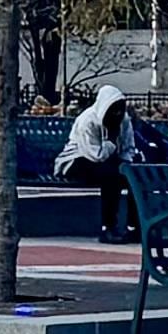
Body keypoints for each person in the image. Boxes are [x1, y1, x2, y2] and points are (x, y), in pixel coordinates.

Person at [53, 82, 136, 244]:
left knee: (134, 178)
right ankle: (108, 227)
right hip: (76, 161)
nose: (117, 114)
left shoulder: (124, 120)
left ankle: (133, 227)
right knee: (110, 177)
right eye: (114, 109)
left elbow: (128, 147)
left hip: (108, 162)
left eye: (120, 109)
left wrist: (126, 164)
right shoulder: (88, 121)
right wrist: (111, 141)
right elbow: (95, 155)